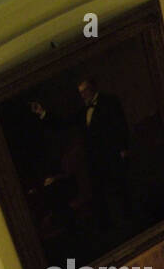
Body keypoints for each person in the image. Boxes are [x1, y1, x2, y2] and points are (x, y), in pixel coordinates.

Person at [31, 77, 133, 240]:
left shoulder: (109, 101)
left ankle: (129, 222)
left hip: (112, 155)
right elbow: (64, 123)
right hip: (94, 160)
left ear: (93, 88)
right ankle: (108, 230)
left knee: (120, 188)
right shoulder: (82, 111)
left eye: (85, 90)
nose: (83, 95)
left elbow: (120, 124)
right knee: (99, 193)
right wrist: (43, 113)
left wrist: (123, 149)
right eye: (81, 92)